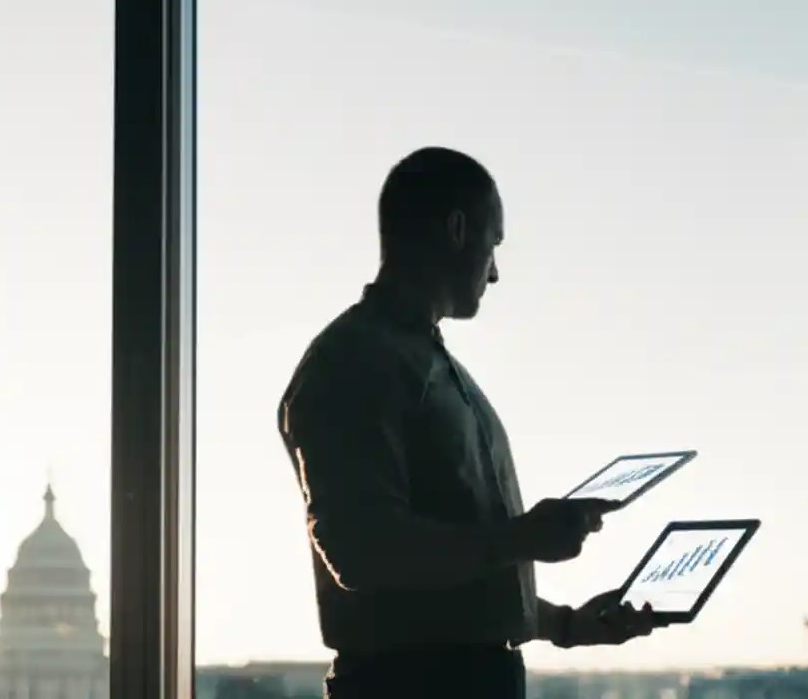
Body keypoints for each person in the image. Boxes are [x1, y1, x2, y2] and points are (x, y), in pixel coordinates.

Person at [276, 147, 663, 699]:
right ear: (458, 229)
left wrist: (568, 625)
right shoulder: (353, 364)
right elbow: (362, 552)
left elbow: (445, 596)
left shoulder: (419, 366)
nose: (496, 272)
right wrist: (522, 537)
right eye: (494, 244)